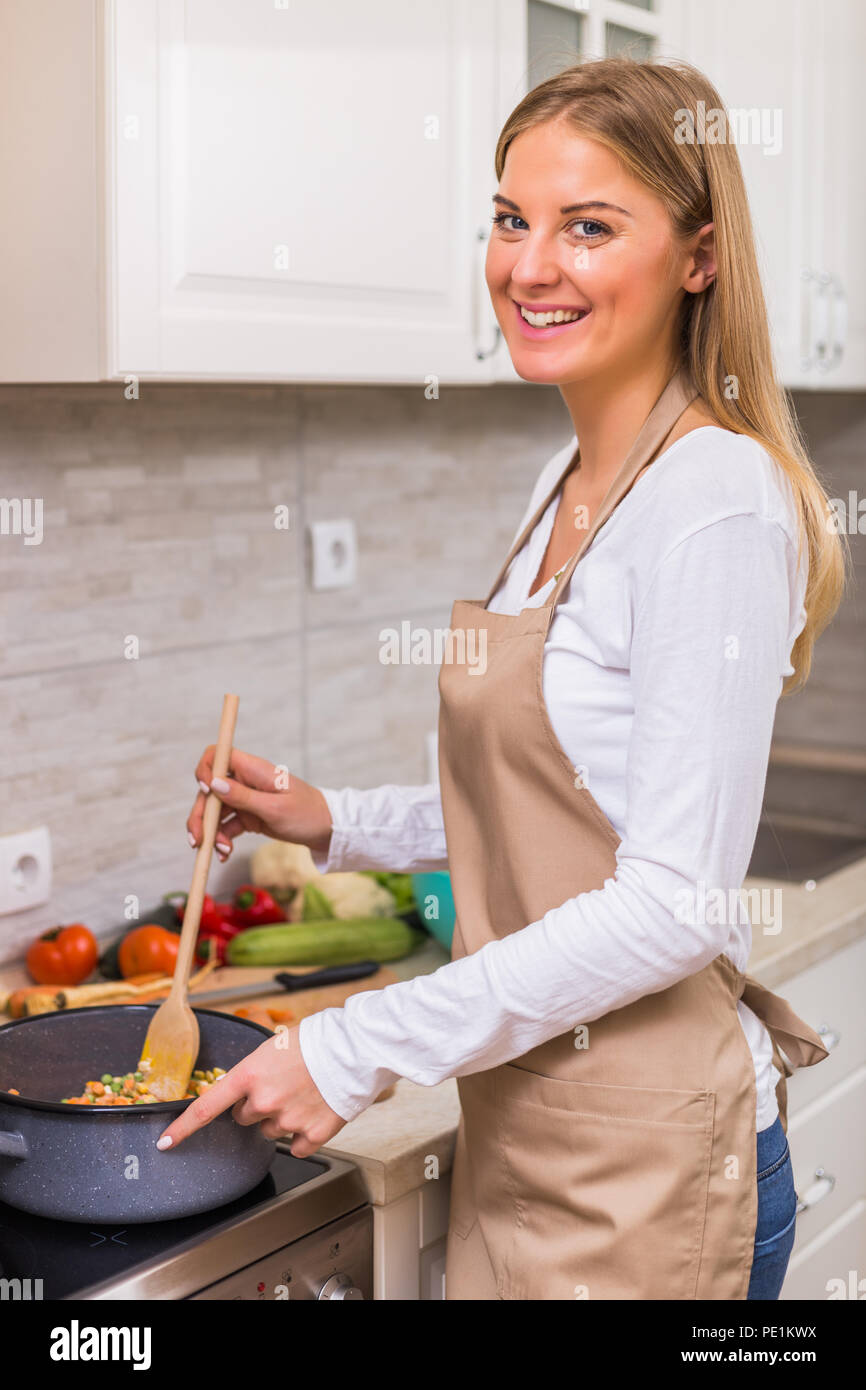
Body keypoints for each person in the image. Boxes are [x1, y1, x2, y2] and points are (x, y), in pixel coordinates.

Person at [159, 57, 848, 1300]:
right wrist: (339, 824)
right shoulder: (563, 482)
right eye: (510, 219)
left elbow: (674, 900)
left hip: (647, 1171)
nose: (530, 266)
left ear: (696, 256)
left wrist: (358, 1044)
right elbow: (563, 804)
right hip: (527, 1134)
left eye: (589, 226)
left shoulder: (711, 500)